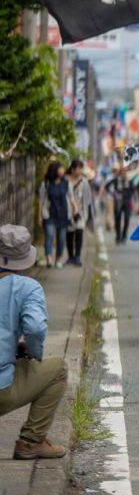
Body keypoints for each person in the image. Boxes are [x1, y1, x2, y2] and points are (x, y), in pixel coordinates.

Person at [0, 225, 68, 459]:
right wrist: (32, 351)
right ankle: (30, 441)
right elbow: (36, 328)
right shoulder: (28, 288)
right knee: (58, 369)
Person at [37, 162, 68, 269]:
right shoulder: (46, 183)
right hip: (49, 214)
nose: (63, 171)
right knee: (49, 236)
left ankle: (58, 259)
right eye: (61, 168)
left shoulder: (66, 182)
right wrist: (40, 216)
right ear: (55, 170)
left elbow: (71, 197)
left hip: (63, 215)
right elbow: (41, 200)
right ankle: (49, 259)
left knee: (61, 239)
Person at [65, 160, 92, 268]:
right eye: (78, 168)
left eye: (81, 168)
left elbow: (87, 198)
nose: (80, 171)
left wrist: (86, 214)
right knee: (69, 235)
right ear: (73, 169)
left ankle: (77, 257)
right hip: (68, 213)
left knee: (79, 234)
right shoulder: (66, 180)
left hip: (80, 213)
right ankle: (70, 257)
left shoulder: (84, 182)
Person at [108, 165, 134, 244]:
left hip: (126, 202)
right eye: (122, 171)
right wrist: (114, 194)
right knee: (117, 220)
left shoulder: (129, 180)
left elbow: (133, 189)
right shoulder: (116, 179)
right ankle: (118, 236)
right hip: (118, 202)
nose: (124, 173)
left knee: (127, 219)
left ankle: (124, 235)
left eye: (125, 171)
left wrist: (127, 195)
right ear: (120, 172)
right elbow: (107, 186)